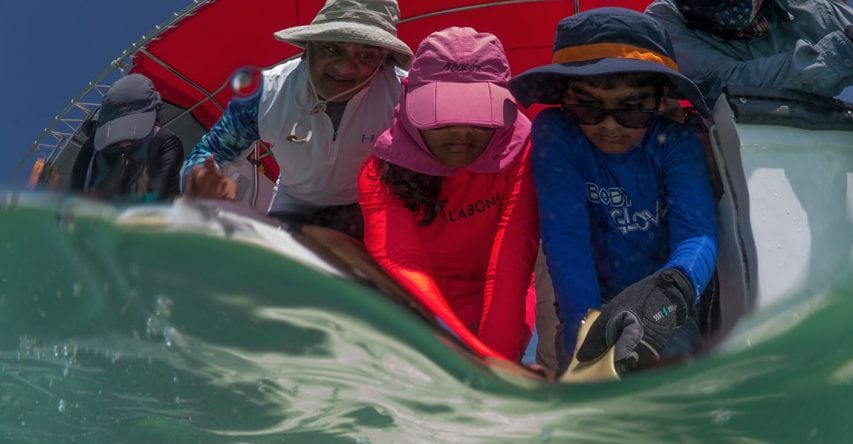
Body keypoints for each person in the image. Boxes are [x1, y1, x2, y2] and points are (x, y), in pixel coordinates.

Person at [509, 7, 718, 374]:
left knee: (661, 386)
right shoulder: (557, 131)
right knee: (589, 390)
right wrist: (585, 336)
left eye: (632, 109)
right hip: (590, 299)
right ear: (563, 97)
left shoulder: (677, 143)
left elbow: (697, 235)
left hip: (669, 301)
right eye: (587, 107)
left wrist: (665, 301)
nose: (609, 126)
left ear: (661, 99)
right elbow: (566, 239)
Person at [358, 27, 539, 363]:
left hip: (498, 299)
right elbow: (403, 265)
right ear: (408, 99)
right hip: (414, 304)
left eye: (477, 115)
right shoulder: (378, 171)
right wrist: (462, 352)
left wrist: (496, 362)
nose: (460, 131)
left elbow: (510, 266)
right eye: (441, 113)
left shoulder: (523, 155)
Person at [181, 0, 413, 238]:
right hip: (294, 203)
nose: (345, 69)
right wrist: (199, 176)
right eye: (333, 49)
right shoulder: (266, 93)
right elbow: (214, 151)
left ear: (384, 61)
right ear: (307, 48)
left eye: (366, 55)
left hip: (369, 202)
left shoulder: (406, 96)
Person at [644, 0, 853, 125]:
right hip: (731, 164)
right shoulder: (663, 20)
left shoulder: (817, 8)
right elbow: (721, 84)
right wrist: (839, 55)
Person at [70, 74, 184, 201]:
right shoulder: (91, 147)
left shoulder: (165, 142)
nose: (122, 143)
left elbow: (163, 200)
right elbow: (73, 197)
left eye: (133, 128)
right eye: (115, 130)